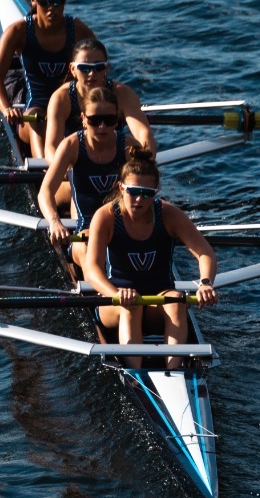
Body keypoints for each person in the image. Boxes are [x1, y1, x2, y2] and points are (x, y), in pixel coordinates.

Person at [77, 144, 218, 367]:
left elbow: (205, 253)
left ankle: (175, 372)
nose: (139, 200)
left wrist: (206, 283)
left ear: (156, 194)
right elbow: (92, 269)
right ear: (121, 188)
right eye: (133, 192)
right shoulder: (106, 217)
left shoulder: (169, 214)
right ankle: (137, 380)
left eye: (147, 194)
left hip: (158, 300)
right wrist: (116, 294)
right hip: (114, 302)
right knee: (131, 306)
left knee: (176, 301)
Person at [0, 0, 95, 160]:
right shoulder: (18, 32)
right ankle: (45, 172)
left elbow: (99, 69)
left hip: (69, 108)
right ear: (33, 1)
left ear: (64, 0)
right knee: (38, 121)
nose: (51, 8)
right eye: (44, 2)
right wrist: (6, 109)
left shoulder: (78, 30)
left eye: (57, 1)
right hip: (34, 111)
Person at [38, 85, 130, 243]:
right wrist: (54, 222)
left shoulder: (129, 147)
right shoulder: (71, 146)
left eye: (109, 120)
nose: (102, 126)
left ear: (117, 120)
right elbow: (45, 192)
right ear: (84, 120)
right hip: (84, 230)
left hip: (121, 227)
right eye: (94, 120)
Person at [38, 37, 152, 156]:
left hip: (113, 158)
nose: (92, 73)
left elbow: (143, 133)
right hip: (74, 161)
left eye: (98, 67)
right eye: (84, 68)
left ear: (106, 68)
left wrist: (145, 160)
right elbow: (52, 147)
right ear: (73, 69)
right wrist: (63, 170)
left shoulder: (122, 93)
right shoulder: (61, 98)